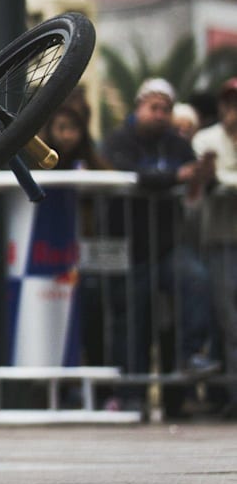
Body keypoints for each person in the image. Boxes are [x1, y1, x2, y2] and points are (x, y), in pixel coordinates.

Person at [101, 77, 218, 377]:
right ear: (139, 106)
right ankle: (130, 390)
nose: (160, 115)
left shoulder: (177, 143)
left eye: (165, 109)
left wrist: (203, 174)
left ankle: (190, 355)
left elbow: (193, 176)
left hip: (167, 245)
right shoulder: (119, 140)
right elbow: (130, 174)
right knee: (131, 322)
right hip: (129, 249)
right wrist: (174, 177)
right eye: (154, 107)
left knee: (196, 280)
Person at [190, 78, 237, 376]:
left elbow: (224, 179)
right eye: (229, 103)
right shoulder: (205, 139)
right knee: (229, 321)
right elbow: (216, 179)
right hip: (219, 239)